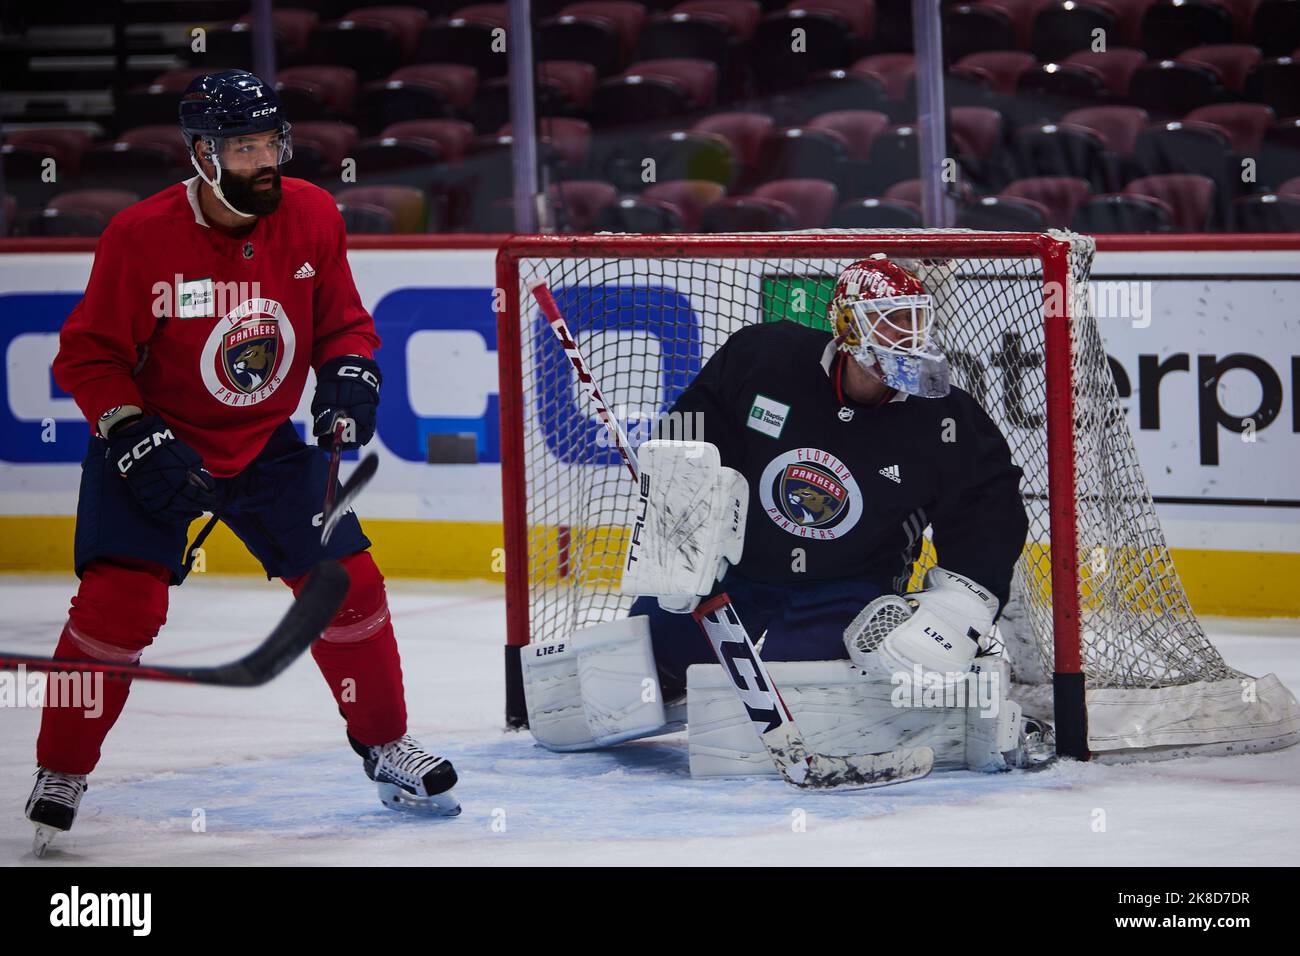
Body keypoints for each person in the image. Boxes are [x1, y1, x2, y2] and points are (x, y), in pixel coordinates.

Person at [25, 70, 458, 856]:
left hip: (264, 443)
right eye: (246, 147)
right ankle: (62, 770)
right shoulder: (139, 235)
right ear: (202, 154)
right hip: (154, 440)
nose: (267, 160)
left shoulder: (313, 214)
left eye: (273, 143)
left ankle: (386, 746)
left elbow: (344, 323)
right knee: (118, 611)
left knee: (349, 585)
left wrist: (352, 371)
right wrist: (130, 433)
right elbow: (89, 358)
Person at [633, 256, 1031, 701]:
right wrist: (681, 537)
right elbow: (691, 430)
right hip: (735, 568)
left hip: (849, 585)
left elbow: (989, 509)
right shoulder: (763, 358)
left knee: (804, 694)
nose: (906, 334)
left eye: (913, 319)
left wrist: (960, 605)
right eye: (889, 320)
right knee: (640, 669)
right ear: (847, 325)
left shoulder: (946, 419)